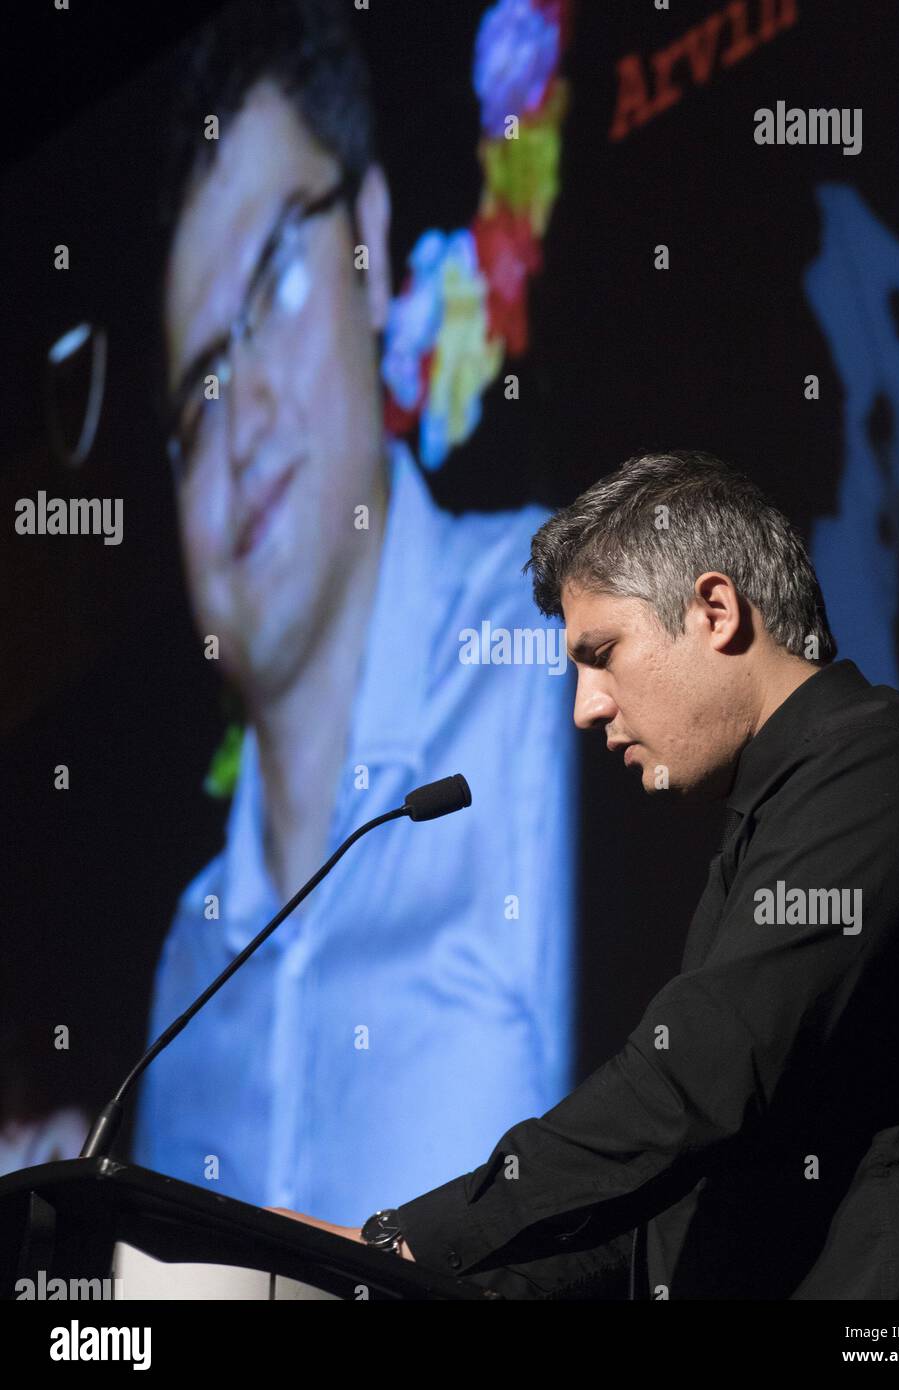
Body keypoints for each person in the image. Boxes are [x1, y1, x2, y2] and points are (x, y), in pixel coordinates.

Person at [269, 450, 899, 1299]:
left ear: (714, 611)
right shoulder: (784, 809)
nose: (584, 706)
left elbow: (687, 1089)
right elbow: (677, 1215)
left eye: (602, 652)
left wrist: (405, 1242)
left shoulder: (877, 777)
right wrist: (417, 1281)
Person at [132, 0, 577, 1222]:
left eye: (272, 278)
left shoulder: (563, 656)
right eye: (193, 390)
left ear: (372, 241)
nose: (243, 418)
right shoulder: (184, 972)